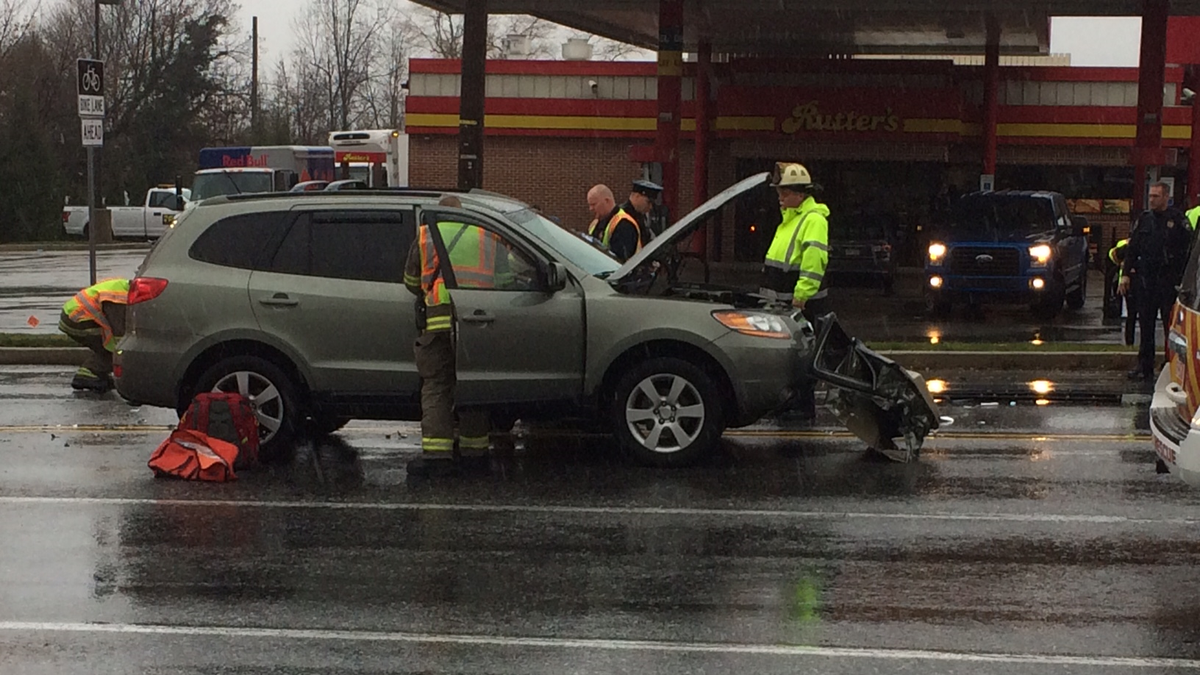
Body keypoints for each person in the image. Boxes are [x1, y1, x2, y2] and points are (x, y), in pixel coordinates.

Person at [403, 195, 495, 477]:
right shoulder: (483, 233)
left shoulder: (425, 235)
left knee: (436, 386)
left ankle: (438, 455)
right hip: (475, 319)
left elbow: (410, 281)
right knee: (473, 384)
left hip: (437, 320)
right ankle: (475, 452)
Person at [760, 162, 830, 420]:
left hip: (801, 304)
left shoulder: (813, 220)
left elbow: (814, 263)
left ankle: (802, 405)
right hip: (783, 305)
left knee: (801, 356)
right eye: (779, 192)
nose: (780, 198)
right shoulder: (790, 220)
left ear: (800, 194)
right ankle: (793, 401)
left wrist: (801, 296)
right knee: (789, 356)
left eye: (785, 193)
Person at [1118, 182, 1193, 381]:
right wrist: (1125, 274)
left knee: (1172, 328)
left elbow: (1189, 252)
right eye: (1150, 196)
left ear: (1166, 197)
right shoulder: (1144, 220)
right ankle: (1145, 366)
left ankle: (1173, 366)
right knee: (1146, 325)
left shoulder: (1178, 220)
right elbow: (1132, 249)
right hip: (1146, 281)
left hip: (1168, 282)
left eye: (1156, 196)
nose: (1151, 200)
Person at [58, 278, 129, 392]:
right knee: (113, 350)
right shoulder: (119, 299)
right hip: (78, 321)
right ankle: (88, 374)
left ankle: (95, 373)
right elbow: (118, 332)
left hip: (73, 317)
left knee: (108, 347)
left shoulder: (120, 287)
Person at [586, 184, 642, 262]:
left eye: (594, 204)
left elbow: (620, 260)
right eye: (589, 205)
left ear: (607, 201)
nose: (590, 209)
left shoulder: (624, 224)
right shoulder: (595, 224)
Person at [1107, 238, 1137, 346]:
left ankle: (1132, 342)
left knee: (1132, 316)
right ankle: (1130, 342)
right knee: (1132, 315)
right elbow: (1113, 255)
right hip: (1128, 283)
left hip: (1132, 282)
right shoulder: (1124, 244)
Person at [621, 179, 664, 245]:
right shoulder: (623, 217)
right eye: (648, 202)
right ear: (637, 196)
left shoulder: (639, 216)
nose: (650, 207)